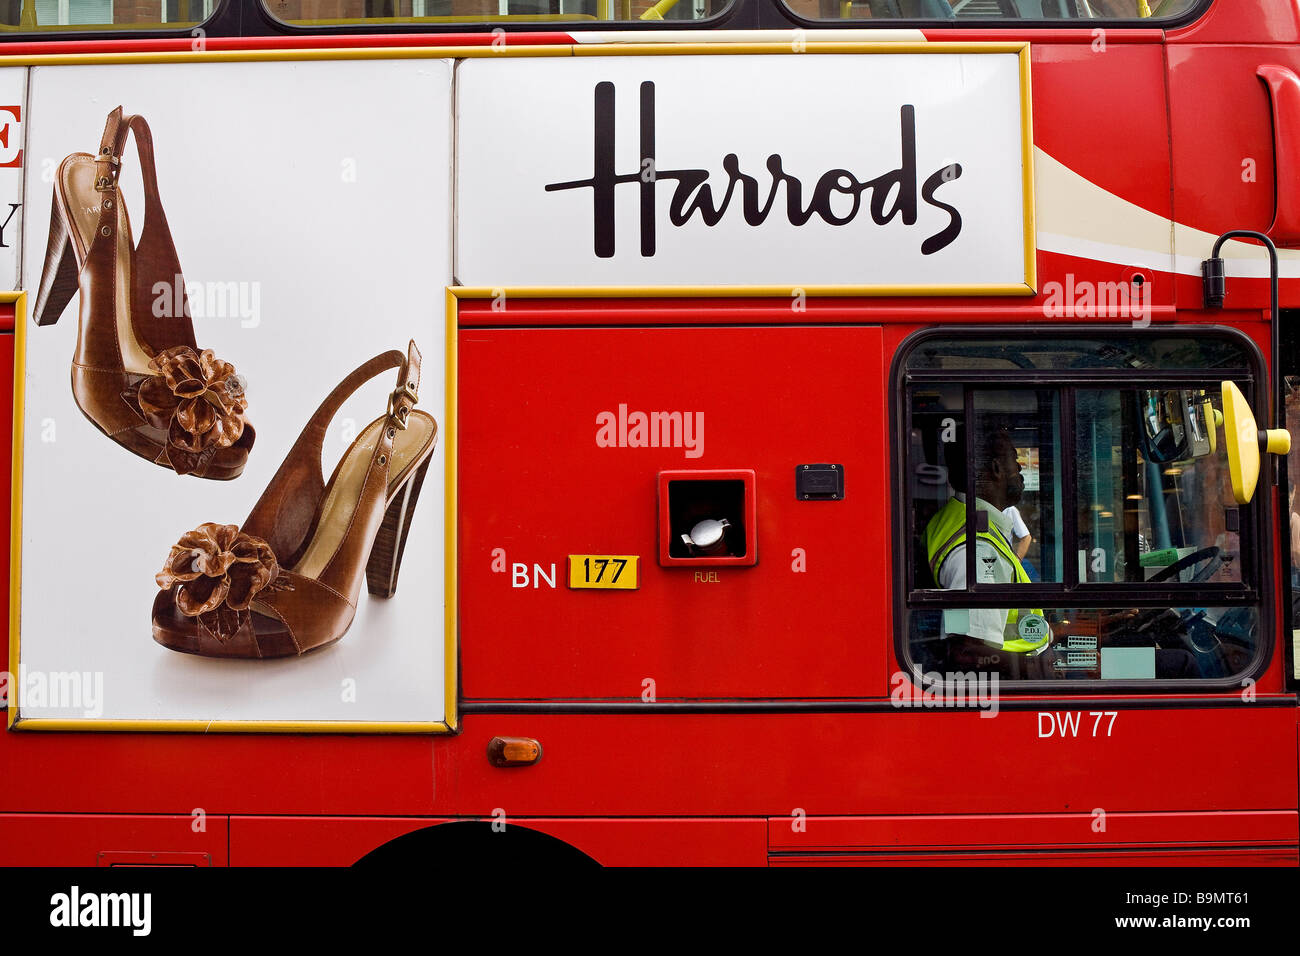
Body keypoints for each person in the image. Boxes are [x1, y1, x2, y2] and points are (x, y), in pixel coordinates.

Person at [925, 423, 1051, 677]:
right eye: (1014, 458)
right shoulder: (979, 549)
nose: (1020, 468)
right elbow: (968, 652)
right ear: (996, 469)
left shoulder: (962, 521)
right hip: (1014, 685)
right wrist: (1034, 667)